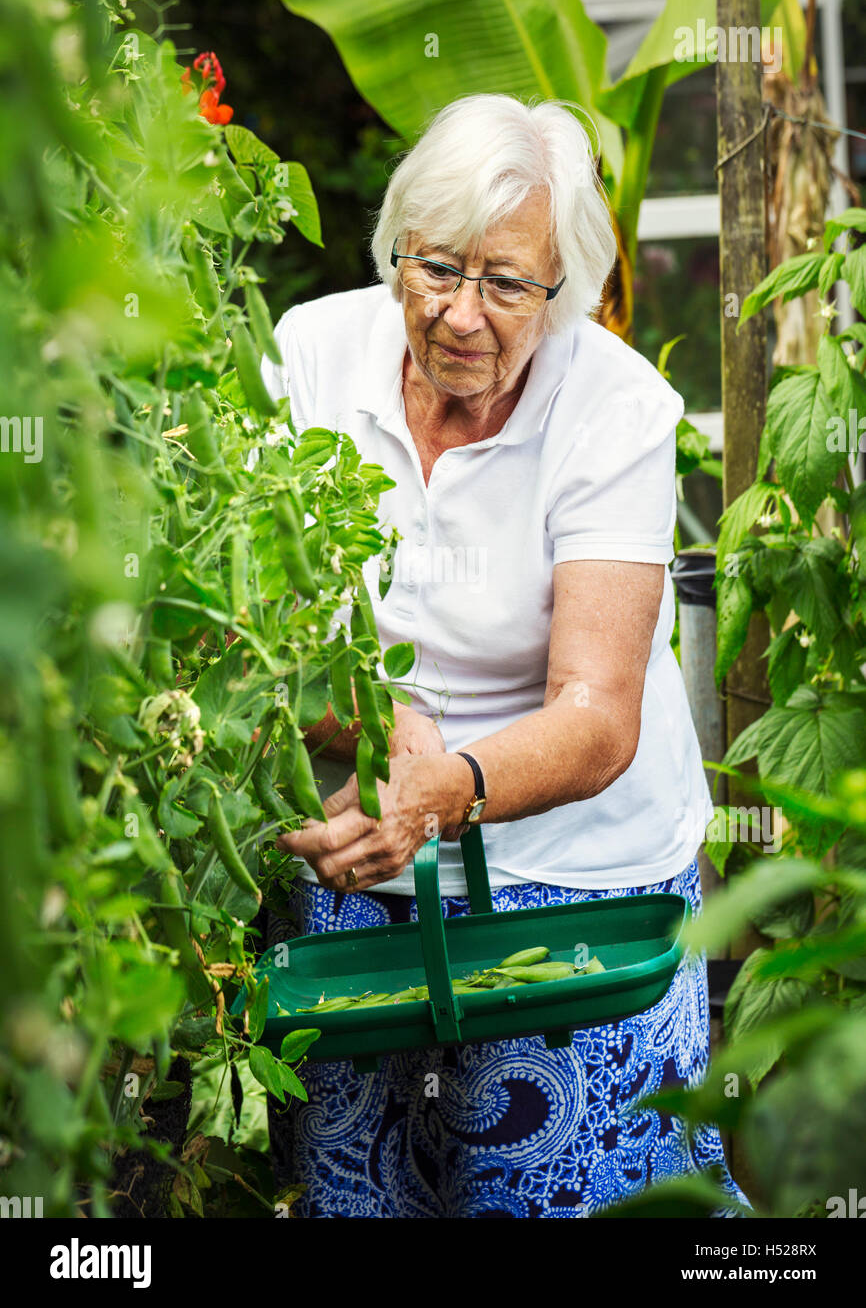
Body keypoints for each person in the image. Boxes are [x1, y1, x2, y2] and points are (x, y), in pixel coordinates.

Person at [260, 93, 746, 1218]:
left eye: (507, 284)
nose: (461, 314)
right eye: (435, 267)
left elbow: (594, 716)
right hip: (368, 840)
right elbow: (260, 619)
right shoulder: (310, 357)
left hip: (568, 871)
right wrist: (374, 718)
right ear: (394, 250)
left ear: (560, 291)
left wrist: (444, 789)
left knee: (537, 1185)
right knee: (358, 1182)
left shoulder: (613, 409)